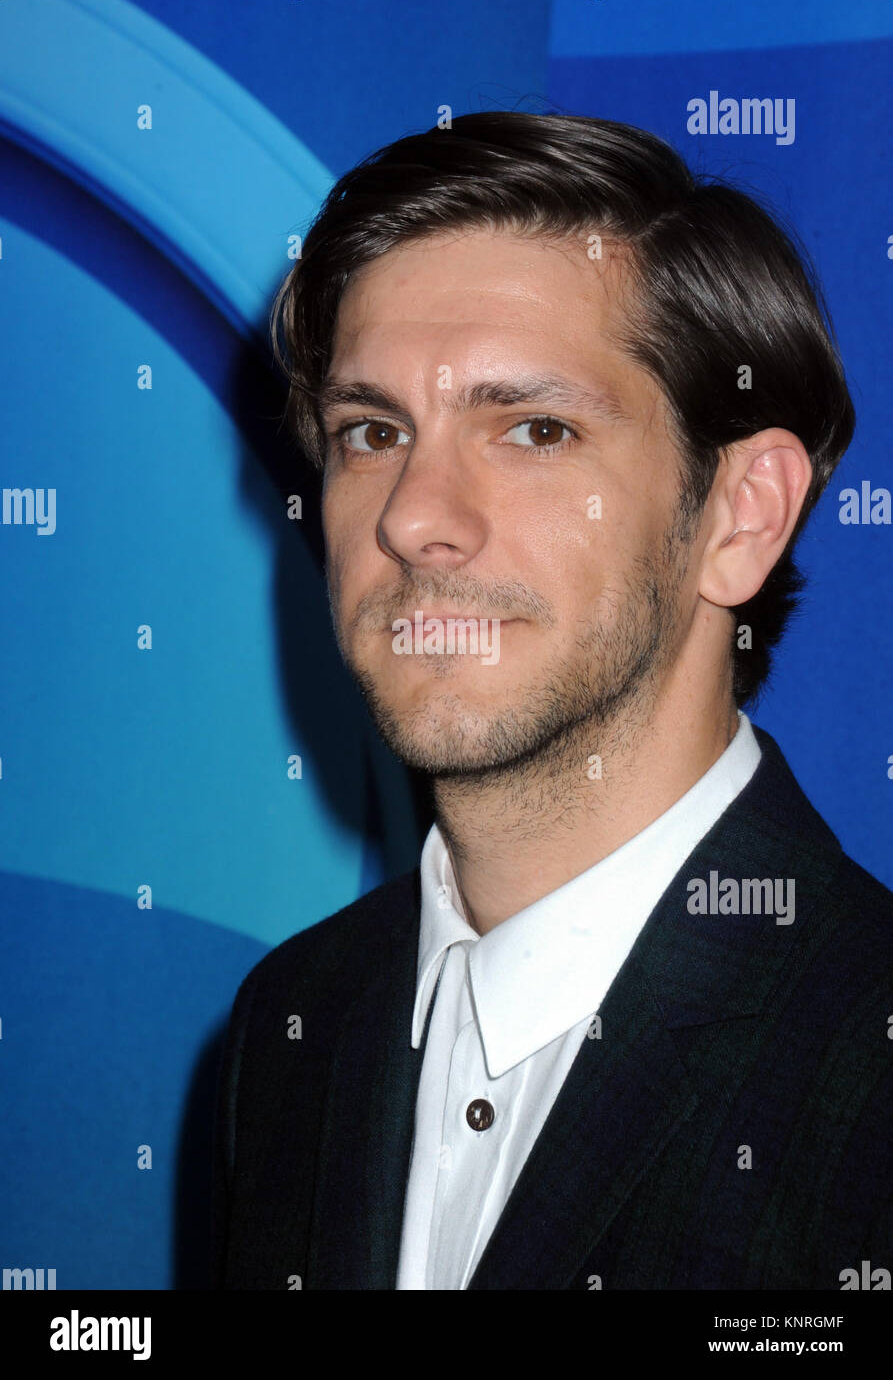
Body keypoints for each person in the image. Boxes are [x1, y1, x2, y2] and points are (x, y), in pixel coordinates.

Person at [210, 112, 892, 1290]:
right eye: (371, 432)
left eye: (532, 429)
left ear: (738, 516)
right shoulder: (292, 1025)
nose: (414, 516)